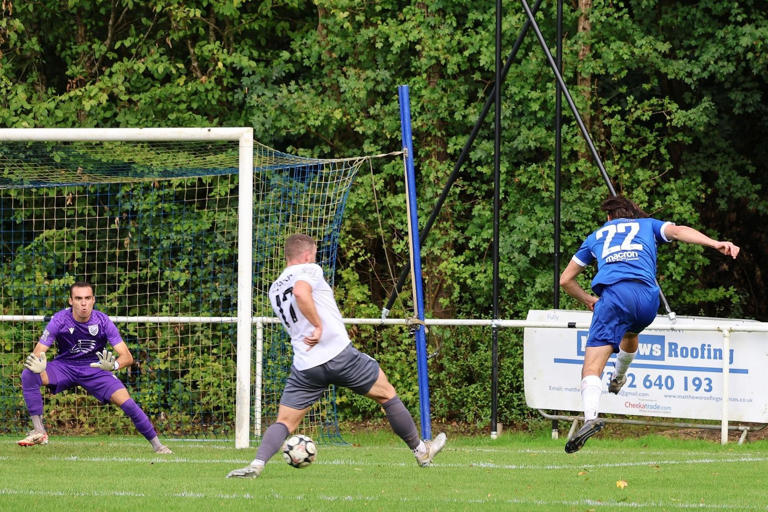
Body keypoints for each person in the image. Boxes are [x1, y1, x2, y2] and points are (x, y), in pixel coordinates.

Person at [227, 234, 446, 478]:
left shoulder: (275, 287)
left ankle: (256, 465)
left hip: (306, 366)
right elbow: (301, 292)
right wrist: (318, 325)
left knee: (285, 422)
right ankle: (420, 451)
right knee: (387, 394)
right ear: (308, 255)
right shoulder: (310, 269)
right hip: (339, 356)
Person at [559, 195, 739, 453]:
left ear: (609, 217)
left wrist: (589, 300)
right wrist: (715, 243)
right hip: (647, 300)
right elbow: (678, 231)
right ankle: (619, 378)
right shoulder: (647, 225)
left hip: (615, 296)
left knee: (591, 368)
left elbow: (566, 280)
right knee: (630, 331)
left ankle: (590, 418)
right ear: (631, 214)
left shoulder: (596, 237)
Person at [18, 281, 172, 454]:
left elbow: (127, 357)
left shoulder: (103, 321)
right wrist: (38, 362)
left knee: (128, 404)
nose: (83, 303)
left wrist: (113, 365)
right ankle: (39, 431)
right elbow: (38, 351)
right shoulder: (60, 319)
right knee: (29, 374)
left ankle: (158, 446)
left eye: (87, 298)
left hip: (95, 368)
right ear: (71, 301)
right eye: (78, 298)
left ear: (93, 300)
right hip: (65, 367)